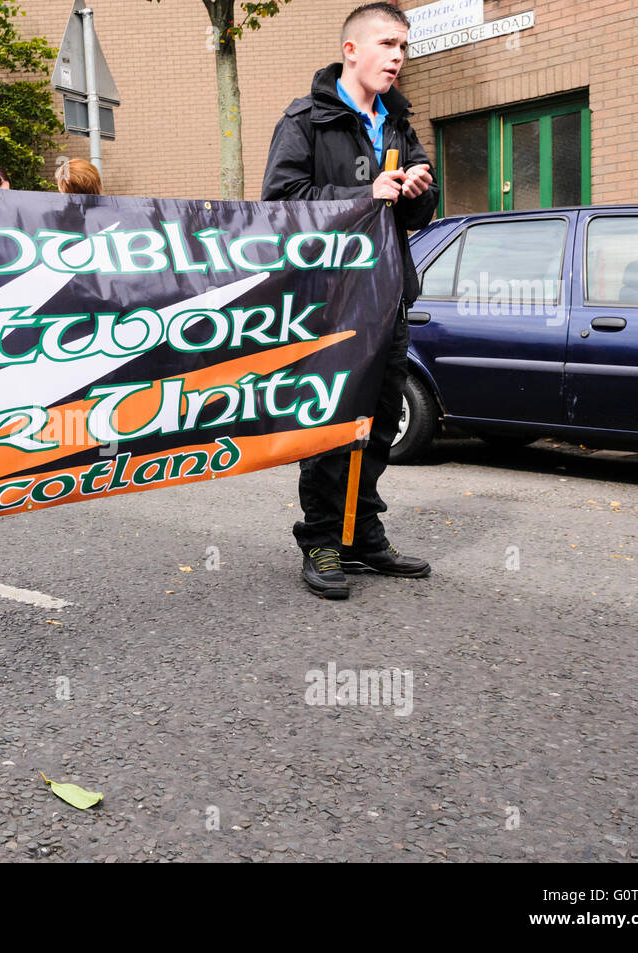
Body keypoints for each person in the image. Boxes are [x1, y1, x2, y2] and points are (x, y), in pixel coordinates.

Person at [260, 2, 438, 600]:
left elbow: (413, 216)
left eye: (405, 47)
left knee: (381, 419)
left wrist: (416, 189)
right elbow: (284, 204)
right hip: (329, 297)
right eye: (388, 44)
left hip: (387, 294)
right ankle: (321, 540)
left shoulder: (398, 122)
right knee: (332, 417)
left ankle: (362, 533)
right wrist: (367, 192)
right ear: (353, 50)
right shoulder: (306, 120)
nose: (398, 57)